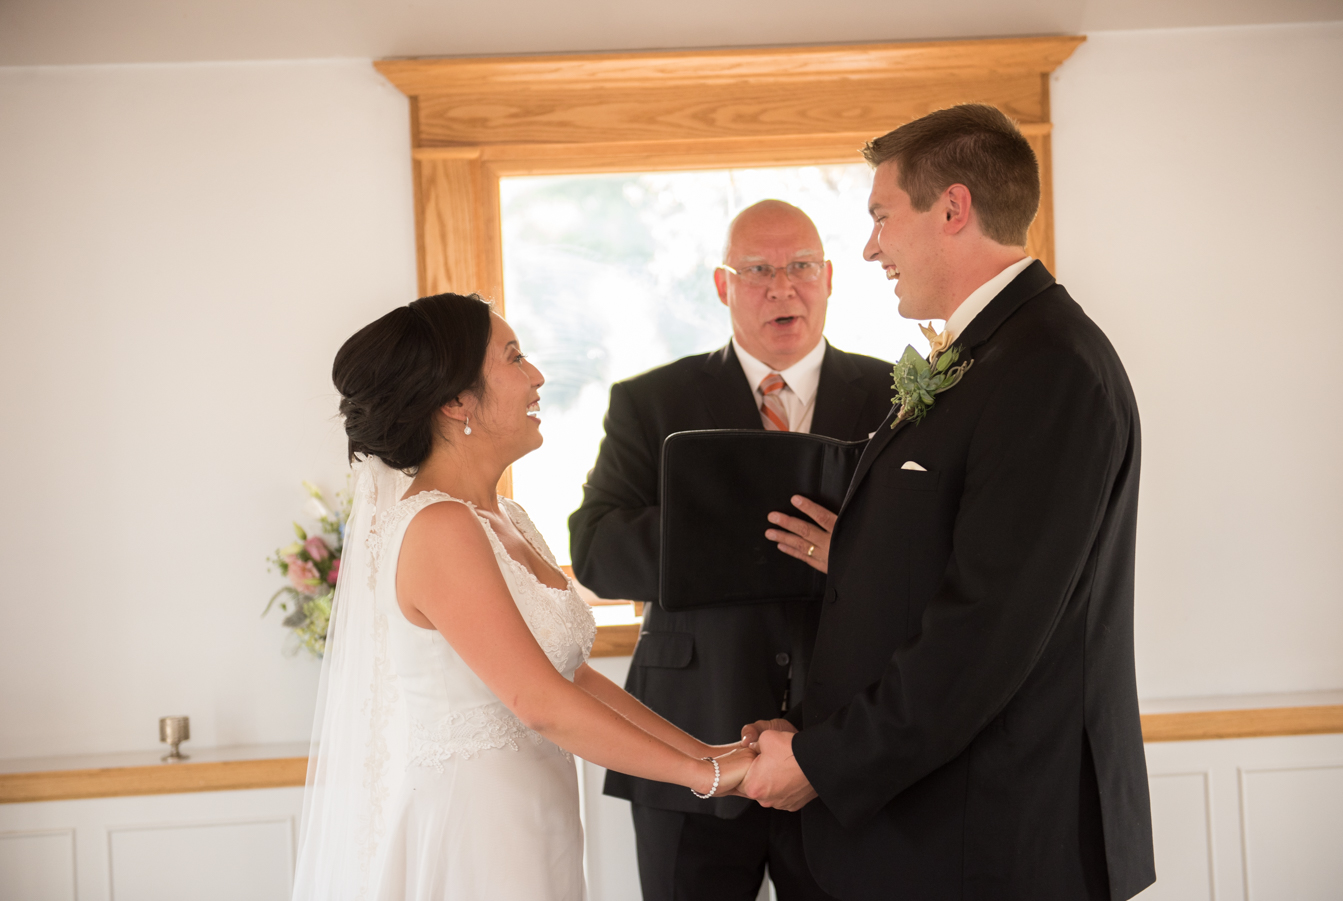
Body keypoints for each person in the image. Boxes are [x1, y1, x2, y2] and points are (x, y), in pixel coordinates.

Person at [739, 105, 1157, 900]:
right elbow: (964, 557)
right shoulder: (992, 353)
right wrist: (858, 550)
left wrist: (821, 761)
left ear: (953, 209)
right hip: (938, 828)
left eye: (881, 217)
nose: (870, 248)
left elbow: (983, 632)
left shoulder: (1047, 369)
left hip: (989, 838)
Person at [291, 294, 756, 901]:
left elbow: (569, 675)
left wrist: (706, 750)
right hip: (479, 826)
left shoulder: (505, 516)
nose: (537, 376)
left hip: (539, 809)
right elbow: (539, 702)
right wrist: (706, 778)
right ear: (456, 400)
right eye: (514, 358)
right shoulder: (440, 528)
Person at [568, 200, 895, 901]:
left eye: (802, 266)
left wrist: (857, 551)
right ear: (722, 285)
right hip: (688, 739)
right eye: (759, 269)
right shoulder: (648, 401)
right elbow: (595, 548)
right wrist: (735, 530)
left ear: (831, 277)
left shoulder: (898, 397)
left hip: (845, 743)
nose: (784, 286)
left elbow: (940, 551)